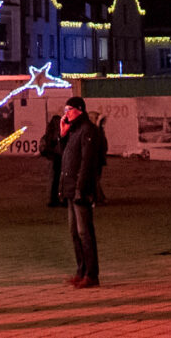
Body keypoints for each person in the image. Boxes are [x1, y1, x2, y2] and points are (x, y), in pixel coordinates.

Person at [58, 95, 105, 287]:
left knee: (85, 232)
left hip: (81, 190)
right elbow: (64, 157)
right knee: (74, 232)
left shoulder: (87, 130)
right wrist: (62, 135)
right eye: (65, 110)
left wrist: (80, 189)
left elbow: (87, 163)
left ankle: (92, 275)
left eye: (69, 109)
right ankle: (81, 270)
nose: (66, 113)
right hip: (70, 189)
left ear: (79, 110)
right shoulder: (73, 130)